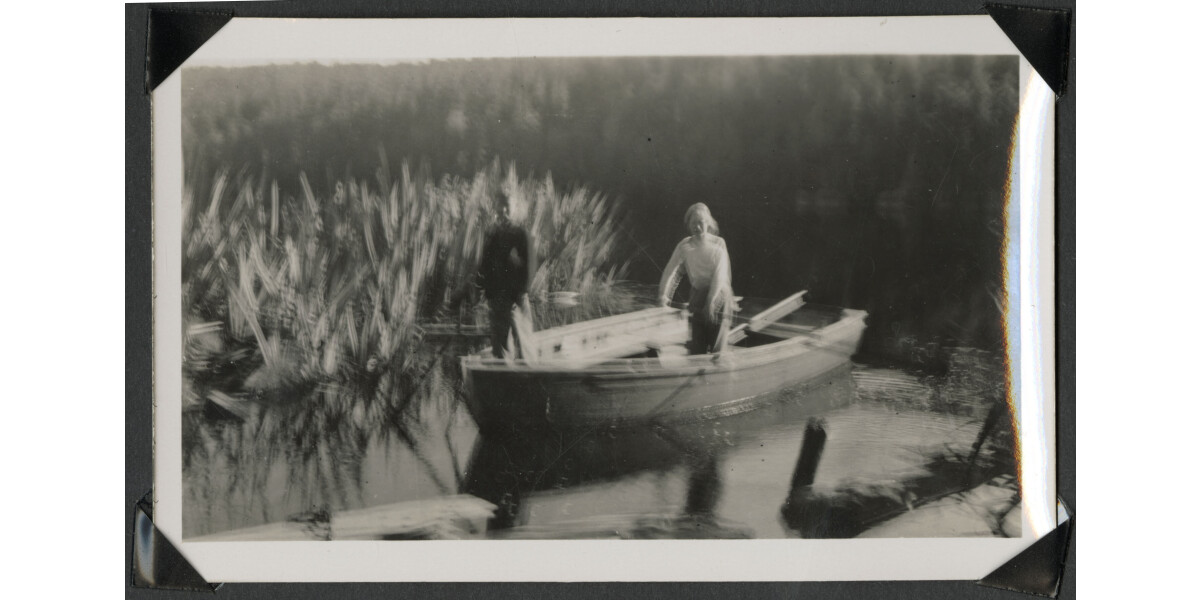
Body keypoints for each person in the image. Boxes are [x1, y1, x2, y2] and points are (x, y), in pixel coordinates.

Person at [658, 203, 735, 355]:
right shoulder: (684, 246)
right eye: (694, 223)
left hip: (719, 293)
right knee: (697, 347)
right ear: (689, 225)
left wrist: (711, 302)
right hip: (698, 294)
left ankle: (718, 360)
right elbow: (670, 271)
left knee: (716, 347)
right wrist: (663, 295)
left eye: (701, 222)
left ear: (708, 223)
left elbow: (720, 276)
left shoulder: (719, 243)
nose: (698, 227)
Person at [478, 189, 537, 359]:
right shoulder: (492, 235)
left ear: (514, 208)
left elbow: (529, 268)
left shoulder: (521, 235)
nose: (503, 210)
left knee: (523, 345)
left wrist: (519, 292)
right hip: (497, 300)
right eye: (500, 205)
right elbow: (485, 266)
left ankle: (528, 374)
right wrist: (486, 291)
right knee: (499, 347)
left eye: (507, 206)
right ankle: (502, 378)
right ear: (495, 208)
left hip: (515, 299)